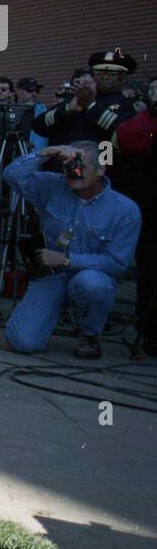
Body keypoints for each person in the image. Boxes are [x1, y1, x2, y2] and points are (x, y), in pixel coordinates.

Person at [2, 144, 140, 359]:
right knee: (21, 341)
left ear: (101, 169)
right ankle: (46, 315)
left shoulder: (125, 210)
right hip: (52, 277)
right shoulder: (53, 186)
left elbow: (117, 263)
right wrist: (44, 153)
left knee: (92, 285)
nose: (73, 172)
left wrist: (67, 260)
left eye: (81, 166)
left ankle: (90, 334)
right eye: (67, 165)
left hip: (90, 276)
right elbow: (11, 176)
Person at [117, 76, 157, 357]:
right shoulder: (144, 119)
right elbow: (130, 139)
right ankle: (147, 328)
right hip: (150, 202)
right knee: (150, 267)